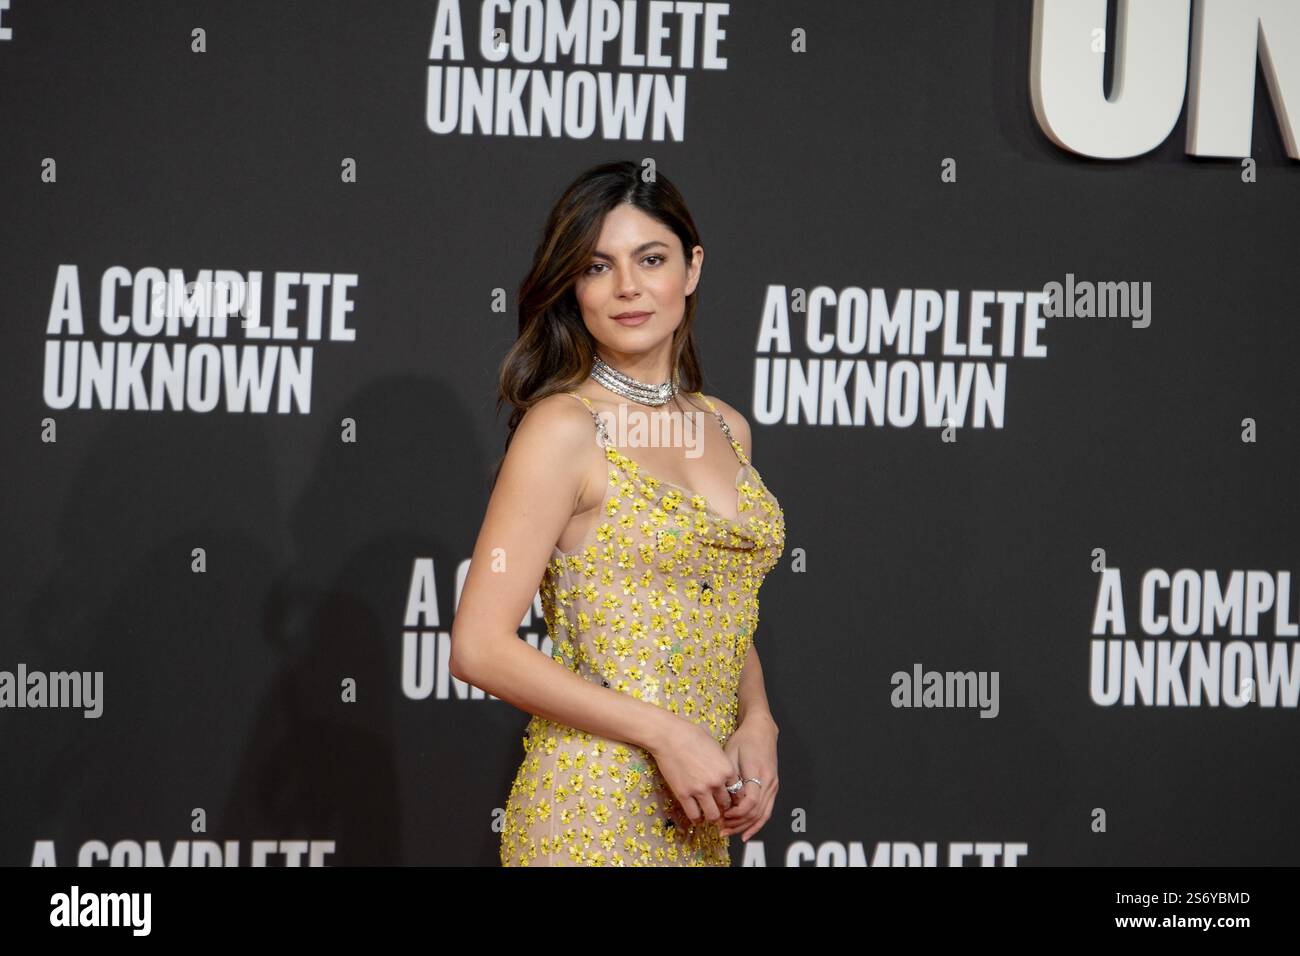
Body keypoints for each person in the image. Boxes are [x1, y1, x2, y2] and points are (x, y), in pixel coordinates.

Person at [450, 160, 786, 866]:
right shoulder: (564, 430)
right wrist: (664, 732)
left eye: (651, 259)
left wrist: (758, 720)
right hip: (592, 810)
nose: (628, 287)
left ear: (691, 269)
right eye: (598, 266)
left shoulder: (726, 428)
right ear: (574, 288)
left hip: (699, 811)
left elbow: (722, 608)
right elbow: (478, 646)